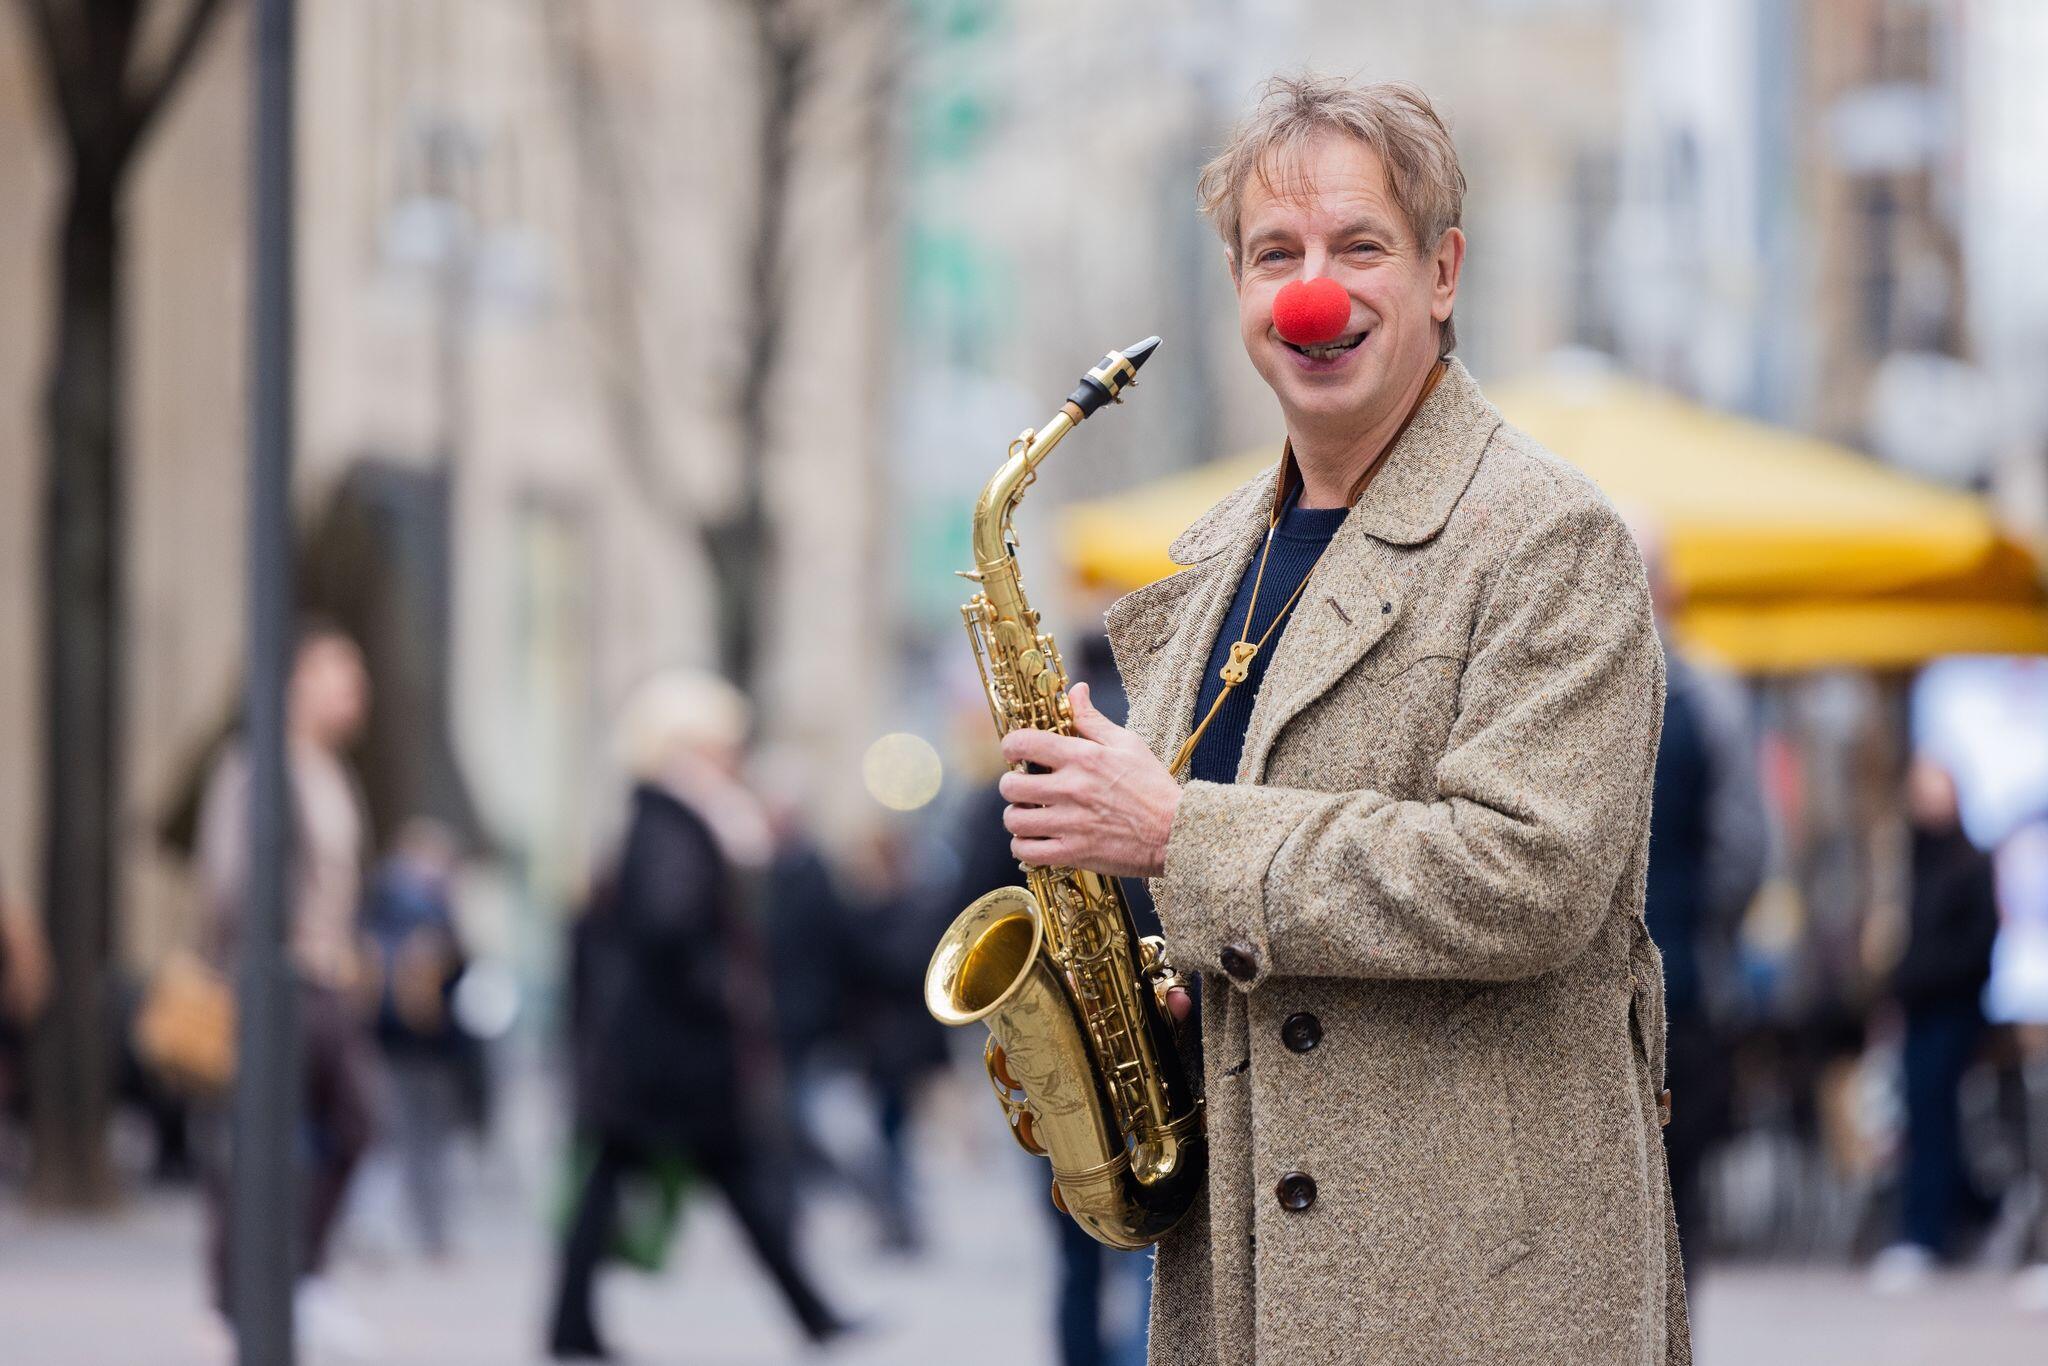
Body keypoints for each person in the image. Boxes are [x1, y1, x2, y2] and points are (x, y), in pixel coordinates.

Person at [996, 77, 1684, 1362]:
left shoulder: (1551, 536)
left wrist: (1174, 836)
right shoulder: (1209, 559)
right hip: (1251, 1287)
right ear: (1240, 292)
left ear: (1441, 272)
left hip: (1482, 1289)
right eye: (1276, 255)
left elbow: (1527, 877)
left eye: (1357, 246)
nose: (1313, 291)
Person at [547, 670, 853, 1360]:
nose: (733, 759)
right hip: (668, 1052)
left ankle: (572, 1326)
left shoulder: (665, 816)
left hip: (654, 1050)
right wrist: (726, 989)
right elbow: (669, 924)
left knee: (631, 1184)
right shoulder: (675, 819)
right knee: (716, 1179)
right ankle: (812, 1312)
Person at [195, 622, 380, 1355]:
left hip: (325, 980)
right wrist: (254, 960)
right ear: (295, 683)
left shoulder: (332, 771)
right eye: (341, 676)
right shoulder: (256, 767)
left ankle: (296, 1276)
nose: (355, 693)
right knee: (250, 1139)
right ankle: (234, 1298)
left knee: (356, 1123)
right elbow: (228, 883)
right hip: (271, 979)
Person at [1633, 521, 1768, 1284]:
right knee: (1675, 1215)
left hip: (1679, 987)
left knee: (1671, 1208)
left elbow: (1743, 851)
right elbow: (1744, 849)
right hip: (1681, 977)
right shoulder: (1709, 694)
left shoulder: (1706, 695)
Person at [1869, 757, 2000, 1293]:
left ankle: (1932, 1233)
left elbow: (1975, 948)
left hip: (1951, 1011)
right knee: (1920, 1121)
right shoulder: (1910, 863)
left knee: (1934, 1120)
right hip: (1918, 1011)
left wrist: (1924, 976)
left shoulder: (1969, 864)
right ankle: (1972, 1212)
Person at [358, 818, 469, 1260]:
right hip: (420, 1040)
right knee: (418, 1139)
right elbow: (456, 968)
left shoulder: (375, 899)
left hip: (387, 1036)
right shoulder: (430, 905)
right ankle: (426, 1232)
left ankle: (379, 1229)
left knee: (391, 1137)